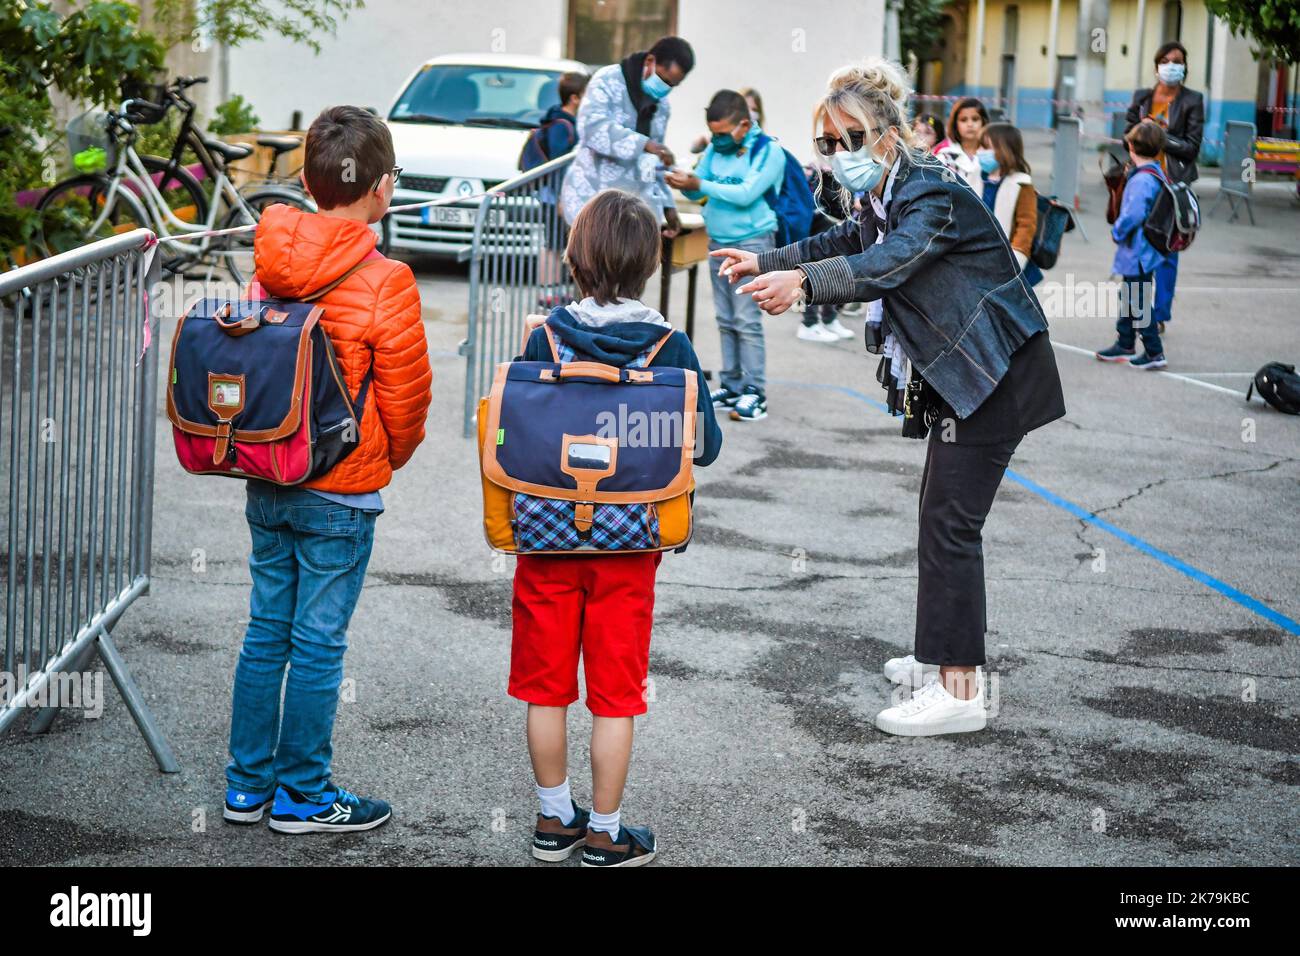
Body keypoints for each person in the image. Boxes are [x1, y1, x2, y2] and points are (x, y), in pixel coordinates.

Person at [713, 58, 1065, 737]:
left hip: (994, 373)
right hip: (962, 374)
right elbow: (850, 238)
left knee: (951, 526)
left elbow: (886, 263)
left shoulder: (931, 189)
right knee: (940, 517)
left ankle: (959, 690)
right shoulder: (888, 191)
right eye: (829, 142)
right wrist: (767, 261)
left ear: (890, 131)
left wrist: (806, 286)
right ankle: (939, 658)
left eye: (853, 138)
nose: (841, 154)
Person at [225, 106, 433, 831]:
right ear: (379, 188)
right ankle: (304, 797)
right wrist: (383, 460)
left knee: (265, 632)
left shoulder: (271, 262)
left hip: (268, 474)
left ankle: (246, 787)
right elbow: (405, 404)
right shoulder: (387, 279)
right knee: (317, 643)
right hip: (341, 490)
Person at [512, 189, 722, 866]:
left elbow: (515, 432)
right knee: (614, 693)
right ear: (648, 265)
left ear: (575, 258)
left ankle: (552, 821)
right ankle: (605, 831)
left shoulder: (542, 336)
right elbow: (707, 445)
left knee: (545, 686)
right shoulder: (670, 346)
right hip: (630, 544)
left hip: (545, 536)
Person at [667, 89, 785, 421]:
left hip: (753, 244)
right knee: (725, 319)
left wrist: (700, 185)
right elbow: (699, 184)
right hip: (718, 240)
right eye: (713, 132)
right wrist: (683, 181)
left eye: (722, 133)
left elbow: (746, 193)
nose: (716, 140)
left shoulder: (768, 150)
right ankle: (732, 384)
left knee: (746, 320)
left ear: (744, 124)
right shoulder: (715, 150)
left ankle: (754, 391)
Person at [559, 36, 694, 238]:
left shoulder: (661, 105)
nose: (666, 88)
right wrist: (644, 143)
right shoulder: (607, 79)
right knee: (592, 266)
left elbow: (653, 161)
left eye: (672, 85)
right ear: (650, 62)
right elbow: (591, 128)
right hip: (592, 202)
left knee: (629, 267)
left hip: (633, 212)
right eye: (664, 80)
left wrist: (668, 205)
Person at [1124, 40, 1203, 336]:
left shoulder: (1193, 100)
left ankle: (1159, 315)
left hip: (1172, 185)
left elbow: (1191, 148)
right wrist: (1138, 133)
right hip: (1141, 179)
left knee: (1168, 250)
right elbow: (1126, 136)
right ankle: (1134, 311)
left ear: (1184, 67)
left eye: (1178, 61)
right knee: (1135, 246)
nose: (1172, 65)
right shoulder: (1142, 96)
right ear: (1157, 65)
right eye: (1167, 60)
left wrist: (1157, 136)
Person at [1095, 122, 1170, 370]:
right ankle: (1125, 341)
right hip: (1144, 250)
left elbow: (1134, 214)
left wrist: (1117, 230)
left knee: (1137, 297)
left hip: (1138, 250)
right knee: (1130, 293)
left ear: (1130, 145)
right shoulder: (1155, 173)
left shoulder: (1142, 181)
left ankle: (1153, 351)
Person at [527, 71, 590, 309]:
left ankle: (557, 291)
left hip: (557, 197)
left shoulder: (562, 121)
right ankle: (547, 293)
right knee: (552, 245)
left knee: (558, 244)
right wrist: (563, 198)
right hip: (555, 197)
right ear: (574, 98)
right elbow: (558, 166)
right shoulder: (562, 125)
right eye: (586, 95)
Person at [979, 122, 1043, 286]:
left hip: (1007, 263)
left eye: (986, 147)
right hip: (978, 259)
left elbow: (1026, 226)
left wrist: (1015, 261)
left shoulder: (1021, 184)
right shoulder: (975, 179)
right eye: (980, 146)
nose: (980, 152)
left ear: (1004, 151)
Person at [935, 96, 988, 193]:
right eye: (963, 120)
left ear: (983, 122)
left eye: (975, 119)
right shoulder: (945, 157)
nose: (970, 124)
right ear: (955, 125)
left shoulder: (992, 156)